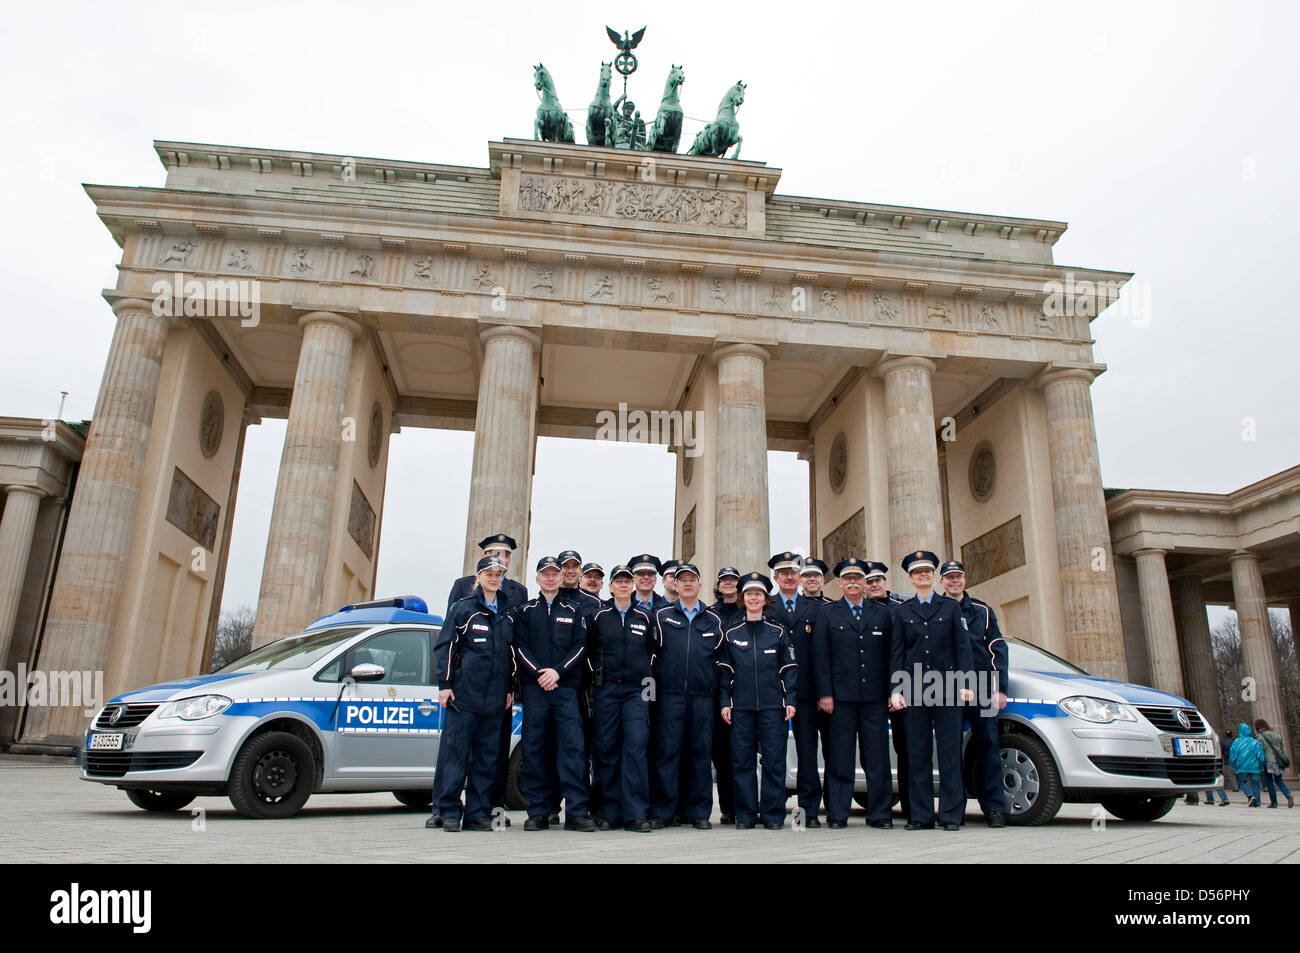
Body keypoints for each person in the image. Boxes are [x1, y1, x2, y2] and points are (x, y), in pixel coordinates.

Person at [431, 533, 528, 828]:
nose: (494, 578)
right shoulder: (463, 609)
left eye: (499, 573)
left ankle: (477, 813)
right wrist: (445, 684)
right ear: (479, 576)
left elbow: (513, 653)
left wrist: (512, 688)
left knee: (487, 759)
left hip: (496, 697)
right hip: (465, 695)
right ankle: (448, 811)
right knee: (456, 756)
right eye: (489, 573)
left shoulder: (508, 614)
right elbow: (446, 646)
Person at [889, 550, 973, 831]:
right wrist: (896, 689)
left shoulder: (950, 608)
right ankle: (921, 816)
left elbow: (963, 649)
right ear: (911, 579)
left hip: (948, 687)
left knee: (949, 753)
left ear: (934, 576)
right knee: (917, 754)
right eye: (917, 573)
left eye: (927, 572)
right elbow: (897, 653)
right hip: (913, 690)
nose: (923, 576)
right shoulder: (902, 611)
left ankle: (950, 815)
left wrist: (966, 683)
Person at [511, 556, 595, 831]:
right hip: (536, 691)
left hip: (565, 689)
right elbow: (519, 648)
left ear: (561, 578)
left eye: (554, 574)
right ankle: (538, 811)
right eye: (544, 574)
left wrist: (557, 672)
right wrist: (540, 673)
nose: (550, 578)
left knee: (572, 749)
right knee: (536, 750)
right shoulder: (525, 611)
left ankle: (577, 812)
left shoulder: (574, 610)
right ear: (537, 579)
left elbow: (581, 648)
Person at [813, 558, 896, 829]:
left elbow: (892, 655)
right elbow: (820, 657)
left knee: (877, 758)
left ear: (865, 582)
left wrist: (893, 691)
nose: (853, 583)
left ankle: (880, 813)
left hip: (874, 697)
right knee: (840, 758)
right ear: (839, 583)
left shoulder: (882, 613)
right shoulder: (827, 613)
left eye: (858, 579)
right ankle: (838, 814)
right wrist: (825, 693)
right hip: (840, 698)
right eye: (847, 579)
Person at [719, 571, 797, 830]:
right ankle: (746, 814)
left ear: (765, 599)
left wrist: (790, 699)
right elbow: (724, 671)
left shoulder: (777, 632)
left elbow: (788, 668)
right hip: (741, 707)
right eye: (749, 594)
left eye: (758, 594)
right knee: (742, 761)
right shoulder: (732, 633)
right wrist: (724, 702)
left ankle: (773, 815)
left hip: (773, 706)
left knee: (774, 760)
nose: (753, 598)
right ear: (743, 598)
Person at [649, 562, 725, 829]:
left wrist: (718, 696)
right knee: (667, 754)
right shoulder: (661, 616)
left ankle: (699, 812)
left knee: (700, 755)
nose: (688, 583)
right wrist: (650, 697)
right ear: (675, 585)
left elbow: (720, 661)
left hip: (702, 697)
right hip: (669, 696)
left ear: (700, 585)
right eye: (683, 580)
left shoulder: (713, 620)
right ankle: (664, 811)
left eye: (693, 579)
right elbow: (650, 659)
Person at [939, 559, 1009, 828]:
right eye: (949, 578)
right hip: (945, 687)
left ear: (964, 580)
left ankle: (993, 809)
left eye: (958, 577)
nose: (954, 581)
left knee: (988, 746)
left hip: (981, 687)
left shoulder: (982, 610)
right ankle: (953, 812)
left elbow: (997, 650)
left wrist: (1000, 689)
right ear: (942, 582)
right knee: (950, 750)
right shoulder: (938, 609)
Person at [587, 565, 655, 832]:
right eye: (619, 581)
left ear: (633, 586)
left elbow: (653, 652)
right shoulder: (599, 617)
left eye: (628, 580)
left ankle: (636, 813)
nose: (624, 585)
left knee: (636, 747)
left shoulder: (645, 618)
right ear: (611, 587)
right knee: (607, 749)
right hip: (607, 690)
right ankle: (609, 811)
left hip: (636, 692)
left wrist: (648, 688)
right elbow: (589, 652)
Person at [767, 551, 830, 826]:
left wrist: (823, 691)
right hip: (772, 692)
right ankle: (772, 809)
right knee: (773, 752)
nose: (790, 577)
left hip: (805, 693)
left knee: (806, 752)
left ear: (800, 576)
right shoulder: (765, 607)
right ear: (775, 577)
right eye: (784, 573)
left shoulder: (817, 609)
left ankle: (808, 811)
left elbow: (822, 655)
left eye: (794, 572)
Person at [865, 561, 910, 820]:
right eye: (869, 581)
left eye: (878, 580)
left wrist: (898, 689)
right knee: (875, 750)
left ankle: (911, 806)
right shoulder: (857, 609)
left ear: (885, 582)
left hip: (899, 691)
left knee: (906, 749)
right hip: (870, 692)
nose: (873, 584)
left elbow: (905, 652)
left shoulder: (900, 610)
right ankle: (878, 807)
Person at [709, 567, 742, 824]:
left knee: (741, 753)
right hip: (715, 691)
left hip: (743, 692)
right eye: (724, 581)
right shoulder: (709, 614)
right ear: (718, 586)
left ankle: (744, 805)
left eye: (733, 581)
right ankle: (728, 808)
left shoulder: (748, 613)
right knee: (720, 754)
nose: (728, 584)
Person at [1255, 718, 1294, 808]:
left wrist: (1259, 762)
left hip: (1268, 761)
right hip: (1278, 760)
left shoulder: (1259, 736)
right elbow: (1282, 748)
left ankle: (1274, 802)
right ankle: (1288, 795)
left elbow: (1260, 750)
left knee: (1269, 781)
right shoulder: (1276, 734)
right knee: (1279, 780)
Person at [1227, 721, 1265, 807]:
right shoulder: (1255, 742)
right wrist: (1261, 765)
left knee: (1242, 782)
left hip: (1242, 767)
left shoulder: (1236, 742)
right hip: (1254, 767)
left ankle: (1250, 795)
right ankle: (1257, 802)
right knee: (1255, 784)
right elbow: (1260, 756)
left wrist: (1234, 766)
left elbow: (1233, 757)